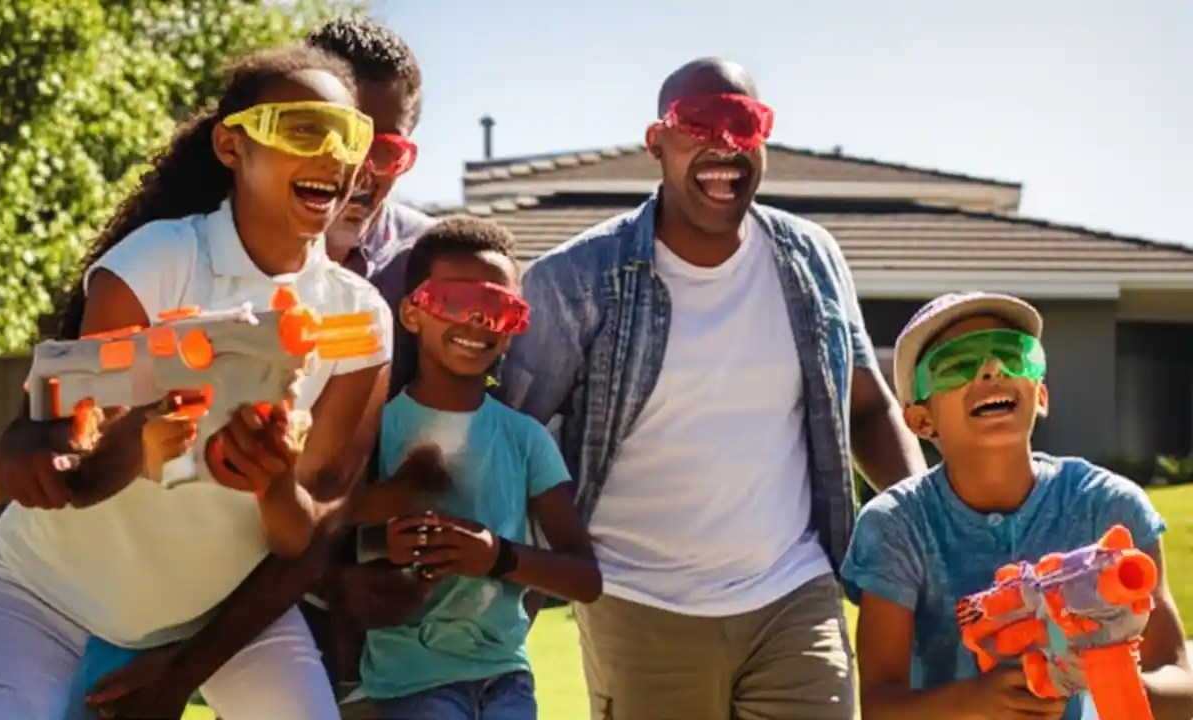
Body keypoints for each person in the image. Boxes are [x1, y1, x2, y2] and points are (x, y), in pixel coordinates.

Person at [0, 44, 394, 720]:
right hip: (36, 594)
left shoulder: (359, 317)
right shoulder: (157, 260)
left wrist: (272, 481)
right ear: (232, 147)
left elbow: (303, 540)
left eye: (350, 136)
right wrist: (142, 440)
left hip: (219, 617)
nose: (334, 155)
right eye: (302, 128)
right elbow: (79, 465)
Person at [496, 56, 927, 720]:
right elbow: (505, 439)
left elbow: (866, 410)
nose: (724, 144)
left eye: (743, 123)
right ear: (657, 142)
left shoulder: (812, 257)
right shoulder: (575, 280)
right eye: (698, 123)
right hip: (639, 601)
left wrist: (927, 537)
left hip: (794, 591)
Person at [841, 291, 1193, 720]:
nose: (991, 370)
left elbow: (1180, 683)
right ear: (919, 420)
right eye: (958, 364)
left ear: (1040, 393)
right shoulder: (895, 525)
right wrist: (976, 702)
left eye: (1013, 355)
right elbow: (879, 704)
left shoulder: (1109, 507)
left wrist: (1113, 678)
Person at [358, 215, 601, 719]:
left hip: (508, 682)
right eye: (454, 301)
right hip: (410, 685)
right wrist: (385, 544)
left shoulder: (524, 438)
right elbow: (323, 538)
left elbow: (585, 579)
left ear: (514, 330)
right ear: (411, 313)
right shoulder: (371, 429)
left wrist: (498, 557)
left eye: (498, 309)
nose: (475, 322)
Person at [307, 14, 433, 307]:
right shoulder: (216, 246)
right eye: (341, 139)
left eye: (384, 150)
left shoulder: (434, 264)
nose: (360, 171)